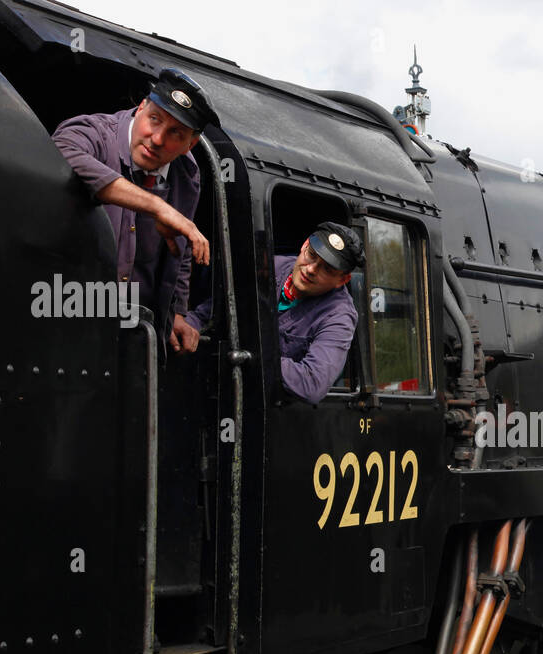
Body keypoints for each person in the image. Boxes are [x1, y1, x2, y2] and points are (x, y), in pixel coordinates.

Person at [51, 68, 218, 354]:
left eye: (175, 133)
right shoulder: (94, 133)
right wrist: (156, 206)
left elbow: (181, 252)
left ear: (190, 144)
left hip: (134, 338)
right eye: (154, 119)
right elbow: (62, 152)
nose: (157, 139)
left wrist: (176, 312)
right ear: (141, 107)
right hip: (68, 319)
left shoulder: (187, 174)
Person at [187, 222, 364, 404]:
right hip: (207, 388)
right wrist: (184, 327)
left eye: (327, 269)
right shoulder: (267, 267)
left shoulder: (339, 316)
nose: (311, 269)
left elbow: (312, 383)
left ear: (342, 280)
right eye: (311, 255)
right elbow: (206, 316)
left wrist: (253, 357)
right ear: (304, 245)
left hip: (263, 408)